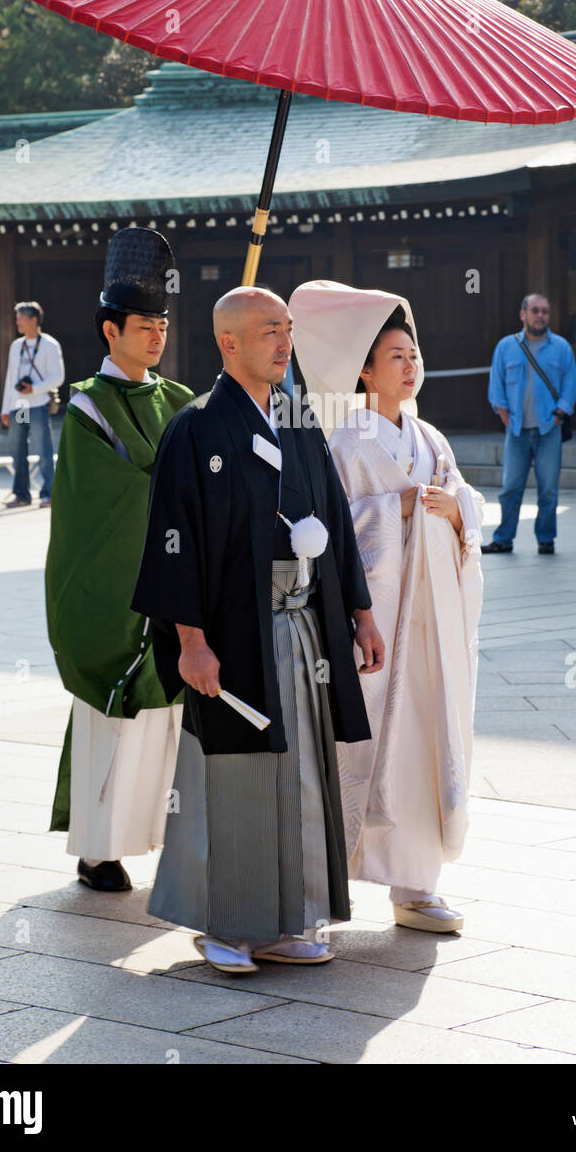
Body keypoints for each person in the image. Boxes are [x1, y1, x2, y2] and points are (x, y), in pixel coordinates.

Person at [131, 286, 383, 975]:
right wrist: (190, 642)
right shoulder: (196, 427)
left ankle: (288, 919)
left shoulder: (298, 419)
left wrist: (359, 613)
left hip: (303, 626)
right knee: (235, 778)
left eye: (289, 329)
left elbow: (331, 511)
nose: (284, 342)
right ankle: (227, 924)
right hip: (234, 629)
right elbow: (172, 539)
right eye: (270, 330)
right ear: (228, 343)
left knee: (301, 773)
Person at [291, 281, 484, 934]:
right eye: (395, 356)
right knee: (357, 748)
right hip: (371, 624)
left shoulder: (431, 439)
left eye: (413, 355)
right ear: (365, 371)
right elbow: (328, 525)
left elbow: (466, 506)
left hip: (428, 626)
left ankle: (415, 884)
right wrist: (392, 508)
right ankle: (322, 889)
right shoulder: (346, 442)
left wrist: (457, 510)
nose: (409, 365)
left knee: (425, 744)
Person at [45, 228, 194, 892]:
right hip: (121, 594)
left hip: (176, 589)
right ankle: (99, 848)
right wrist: (171, 488)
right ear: (112, 331)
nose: (157, 335)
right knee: (114, 721)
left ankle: (158, 837)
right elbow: (101, 503)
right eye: (144, 325)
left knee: (166, 729)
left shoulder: (182, 401)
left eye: (162, 324)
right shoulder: (85, 406)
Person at [483, 293, 576, 555]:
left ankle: (546, 539)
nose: (540, 316)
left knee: (548, 489)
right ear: (523, 314)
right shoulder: (506, 346)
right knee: (510, 488)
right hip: (516, 431)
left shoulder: (561, 347)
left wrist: (560, 413)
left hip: (549, 430)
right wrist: (503, 414)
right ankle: (503, 538)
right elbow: (496, 385)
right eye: (535, 310)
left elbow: (570, 385)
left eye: (545, 311)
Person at [0, 302, 64, 509]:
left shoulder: (49, 344)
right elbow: (11, 378)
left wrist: (34, 389)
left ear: (33, 320)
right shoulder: (16, 345)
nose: (17, 322)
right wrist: (5, 408)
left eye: (20, 318)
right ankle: (21, 494)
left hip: (38, 404)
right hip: (19, 406)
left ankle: (49, 493)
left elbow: (58, 377)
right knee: (18, 449)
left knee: (43, 450)